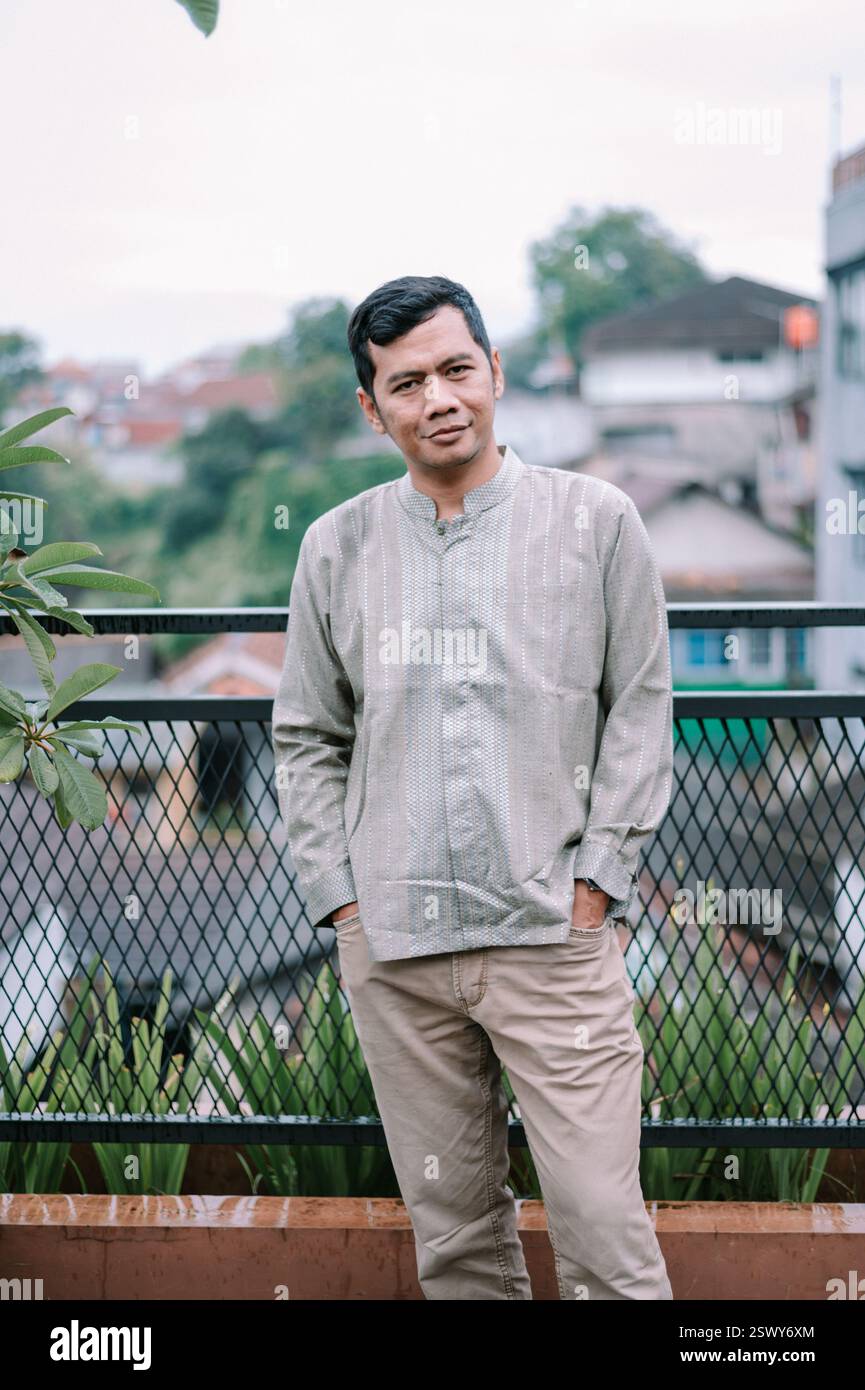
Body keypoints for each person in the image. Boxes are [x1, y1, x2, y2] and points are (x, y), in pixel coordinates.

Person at [271, 274, 674, 1300]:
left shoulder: (596, 521)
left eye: (457, 369)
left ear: (494, 372)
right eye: (406, 383)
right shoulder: (337, 546)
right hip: (396, 949)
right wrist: (344, 901)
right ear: (373, 408)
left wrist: (598, 885)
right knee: (454, 1246)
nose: (438, 398)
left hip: (553, 937)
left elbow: (639, 707)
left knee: (602, 1235)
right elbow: (307, 734)